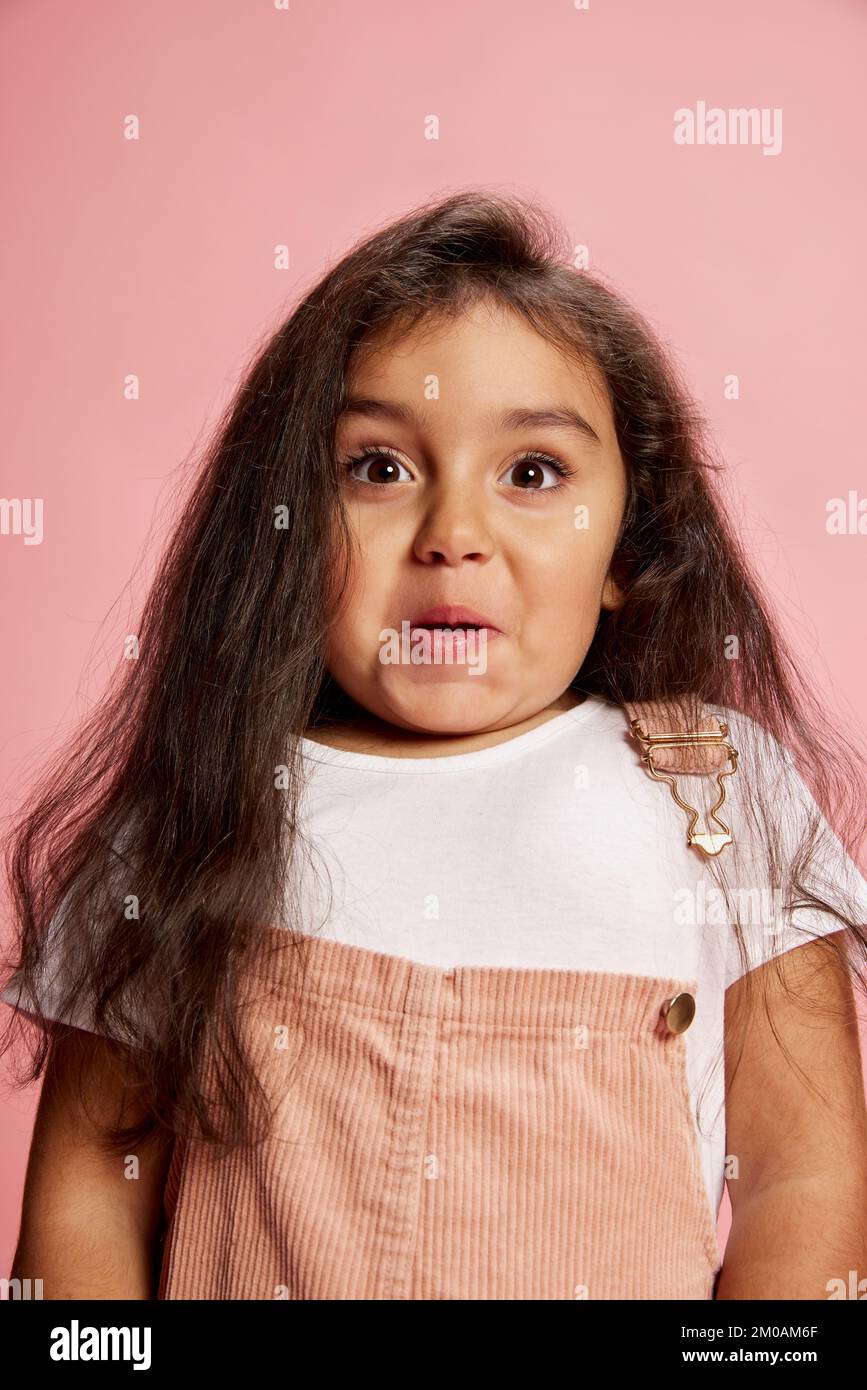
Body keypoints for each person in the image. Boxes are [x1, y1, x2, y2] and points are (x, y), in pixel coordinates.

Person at [2, 191, 866, 1300]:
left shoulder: (720, 797)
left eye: (533, 473)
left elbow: (803, 1182)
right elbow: (90, 1188)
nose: (454, 536)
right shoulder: (204, 804)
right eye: (379, 469)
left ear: (626, 543)